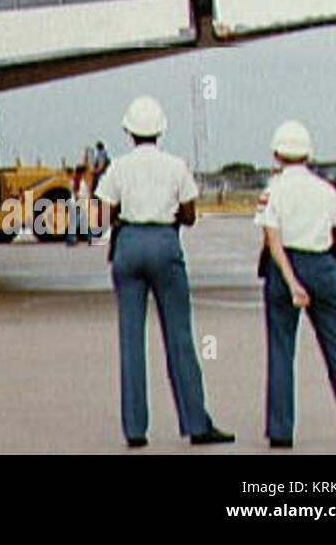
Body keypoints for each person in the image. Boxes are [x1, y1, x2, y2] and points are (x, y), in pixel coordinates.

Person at [95, 95, 234, 448]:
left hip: (128, 244)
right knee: (180, 337)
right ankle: (196, 423)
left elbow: (105, 212)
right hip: (164, 241)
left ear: (129, 131)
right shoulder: (176, 166)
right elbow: (189, 214)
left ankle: (135, 429)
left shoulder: (118, 168)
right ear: (160, 130)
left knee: (131, 340)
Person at [256, 120, 336, 448]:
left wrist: (292, 281)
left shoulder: (272, 191)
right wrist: (335, 280)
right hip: (322, 265)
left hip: (285, 267)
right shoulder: (325, 190)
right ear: (308, 153)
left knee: (281, 352)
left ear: (277, 154)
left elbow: (271, 240)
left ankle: (280, 431)